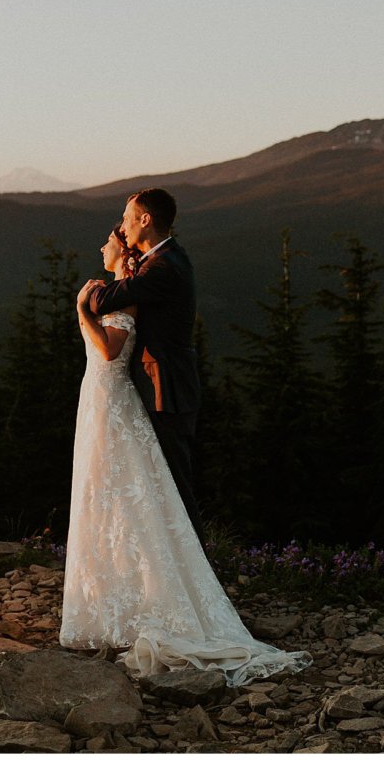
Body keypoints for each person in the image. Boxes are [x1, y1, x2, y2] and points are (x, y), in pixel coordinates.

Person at [59, 214, 310, 685]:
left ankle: (182, 589)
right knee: (108, 495)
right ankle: (119, 593)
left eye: (110, 239)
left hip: (117, 396)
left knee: (145, 494)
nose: (102, 246)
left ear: (131, 240)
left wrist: (81, 309)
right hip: (103, 399)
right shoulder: (135, 281)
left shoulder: (145, 280)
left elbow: (111, 348)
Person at [88, 189, 203, 536]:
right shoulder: (164, 260)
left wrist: (84, 296)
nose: (123, 226)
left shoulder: (164, 267)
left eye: (127, 218)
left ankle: (198, 578)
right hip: (158, 386)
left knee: (176, 486)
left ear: (145, 219)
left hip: (166, 389)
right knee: (163, 483)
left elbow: (104, 299)